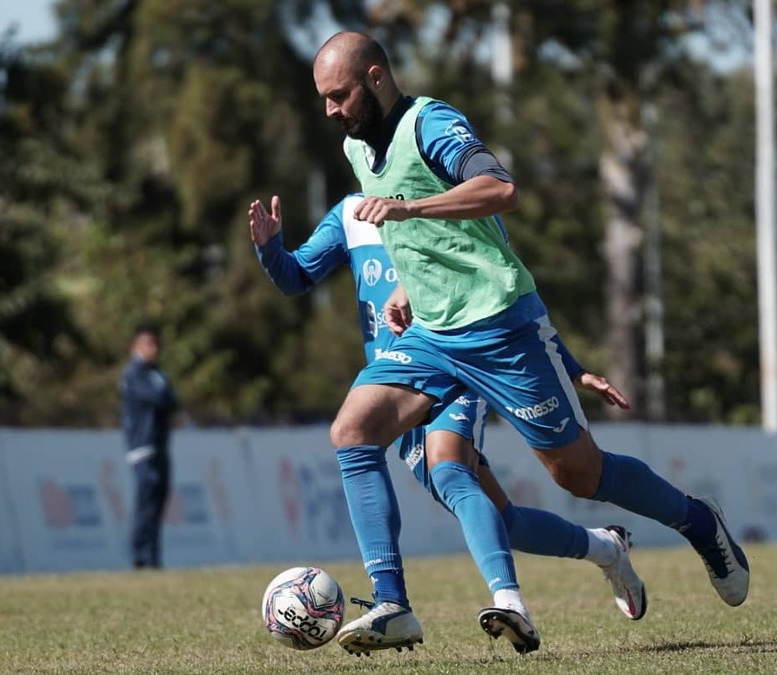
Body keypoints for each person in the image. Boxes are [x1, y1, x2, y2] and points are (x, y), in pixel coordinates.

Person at [307, 31, 750, 654]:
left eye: (339, 95)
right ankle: (393, 604)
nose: (331, 110)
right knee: (353, 432)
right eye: (324, 99)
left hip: (501, 325)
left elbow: (500, 189)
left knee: (580, 475)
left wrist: (409, 211)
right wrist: (408, 283)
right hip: (433, 334)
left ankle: (699, 521)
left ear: (376, 77)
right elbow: (413, 242)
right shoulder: (357, 146)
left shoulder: (431, 123)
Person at [249, 192, 648, 653]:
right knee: (506, 522)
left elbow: (509, 288)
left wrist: (571, 366)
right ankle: (606, 548)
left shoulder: (441, 201)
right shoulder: (351, 214)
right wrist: (270, 249)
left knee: (451, 470)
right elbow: (295, 277)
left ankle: (495, 601)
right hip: (392, 387)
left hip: (460, 365)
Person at [119, 321, 179, 569]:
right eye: (148, 343)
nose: (153, 349)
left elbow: (173, 401)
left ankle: (154, 559)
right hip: (143, 448)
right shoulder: (134, 374)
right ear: (136, 346)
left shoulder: (157, 373)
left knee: (157, 506)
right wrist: (163, 395)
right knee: (145, 506)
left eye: (156, 344)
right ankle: (140, 558)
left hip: (161, 447)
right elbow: (158, 398)